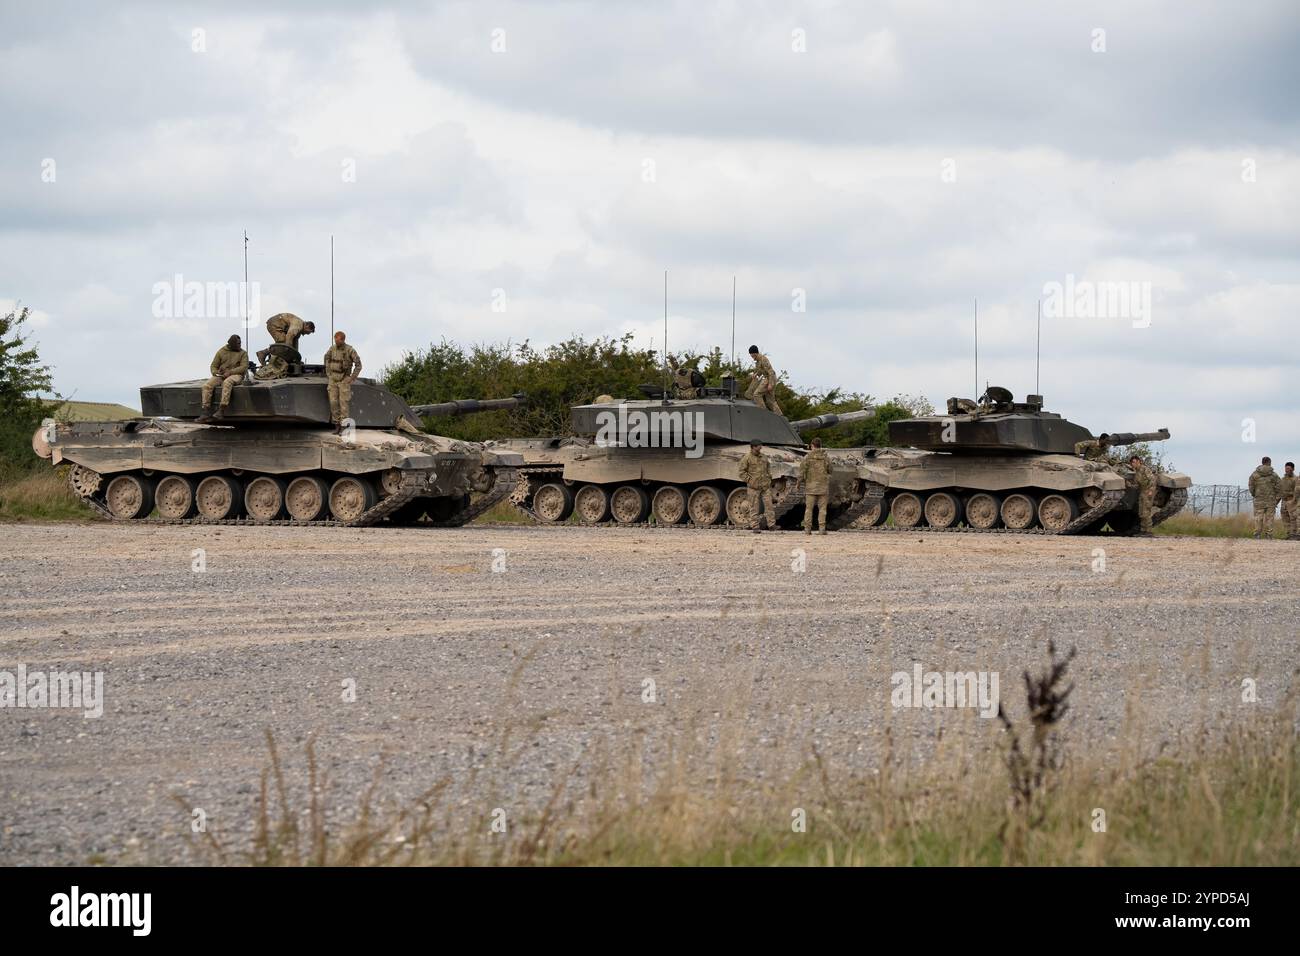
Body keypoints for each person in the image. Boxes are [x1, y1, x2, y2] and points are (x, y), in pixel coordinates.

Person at [200, 334, 248, 420]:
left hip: (237, 375)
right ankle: (205, 411)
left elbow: (244, 367)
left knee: (227, 382)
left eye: (240, 343)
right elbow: (213, 366)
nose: (240, 345)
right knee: (207, 386)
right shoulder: (221, 352)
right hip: (221, 375)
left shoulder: (243, 353)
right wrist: (216, 372)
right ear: (232, 344)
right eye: (238, 343)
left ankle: (222, 410)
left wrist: (230, 372)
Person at [324, 331, 363, 433]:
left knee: (344, 404)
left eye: (338, 340)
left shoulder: (349, 350)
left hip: (344, 379)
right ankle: (337, 425)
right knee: (333, 403)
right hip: (333, 379)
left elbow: (358, 365)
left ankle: (344, 427)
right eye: (335, 340)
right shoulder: (332, 349)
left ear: (343, 339)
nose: (336, 342)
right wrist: (328, 373)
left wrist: (352, 377)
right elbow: (326, 358)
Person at [737, 439, 775, 532]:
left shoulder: (764, 457)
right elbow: (741, 472)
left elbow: (768, 467)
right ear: (753, 447)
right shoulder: (747, 458)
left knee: (769, 505)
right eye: (759, 446)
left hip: (765, 486)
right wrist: (750, 480)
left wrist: (769, 477)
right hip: (753, 487)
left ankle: (771, 525)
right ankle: (755, 526)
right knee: (754, 507)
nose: (761, 447)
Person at [799, 437, 831, 534]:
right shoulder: (826, 457)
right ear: (820, 445)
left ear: (812, 445)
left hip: (810, 487)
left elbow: (801, 471)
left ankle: (807, 529)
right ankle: (822, 529)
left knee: (809, 509)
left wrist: (798, 482)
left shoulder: (807, 457)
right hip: (823, 487)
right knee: (822, 509)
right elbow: (830, 470)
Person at [1248, 456, 1282, 538]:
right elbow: (1280, 487)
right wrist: (1276, 499)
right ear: (1269, 462)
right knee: (1269, 518)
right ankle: (1269, 534)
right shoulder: (1274, 475)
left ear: (1262, 462)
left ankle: (1257, 534)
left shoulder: (1254, 474)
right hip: (1271, 500)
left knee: (1258, 517)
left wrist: (1255, 494)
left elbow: (1251, 486)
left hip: (1259, 499)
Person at [745, 345, 782, 414]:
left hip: (770, 378)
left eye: (752, 356)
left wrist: (770, 384)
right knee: (770, 401)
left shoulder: (763, 359)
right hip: (768, 378)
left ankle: (764, 413)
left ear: (755, 353)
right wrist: (756, 374)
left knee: (756, 394)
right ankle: (780, 416)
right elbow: (760, 370)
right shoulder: (758, 361)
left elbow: (770, 371)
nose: (752, 358)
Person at [1127, 454, 1156, 536]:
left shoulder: (1144, 469)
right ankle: (1143, 531)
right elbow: (1137, 486)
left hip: (1148, 491)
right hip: (1142, 492)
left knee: (1146, 512)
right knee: (1141, 512)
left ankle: (1148, 531)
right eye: (1132, 463)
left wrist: (1151, 491)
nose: (1133, 464)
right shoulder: (1137, 472)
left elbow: (1152, 480)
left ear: (1139, 461)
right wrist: (1129, 485)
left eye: (1134, 462)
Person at [1279, 462, 1296, 538]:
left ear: (1293, 469)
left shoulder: (1296, 479)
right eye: (1286, 468)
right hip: (1284, 501)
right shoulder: (1283, 479)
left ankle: (1294, 534)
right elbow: (1280, 491)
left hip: (1292, 501)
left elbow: (1297, 491)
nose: (1286, 470)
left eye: (1288, 468)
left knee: (1293, 518)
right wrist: (1276, 501)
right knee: (1284, 518)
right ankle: (1288, 534)